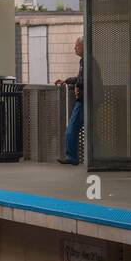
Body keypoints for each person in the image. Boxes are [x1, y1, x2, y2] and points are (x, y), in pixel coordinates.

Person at [55, 36, 84, 165]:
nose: (74, 48)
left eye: (76, 46)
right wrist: (67, 81)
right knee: (78, 127)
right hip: (83, 100)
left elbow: (85, 79)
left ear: (83, 46)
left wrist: (78, 84)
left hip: (84, 100)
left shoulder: (87, 62)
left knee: (72, 127)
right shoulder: (84, 61)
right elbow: (80, 78)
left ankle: (72, 157)